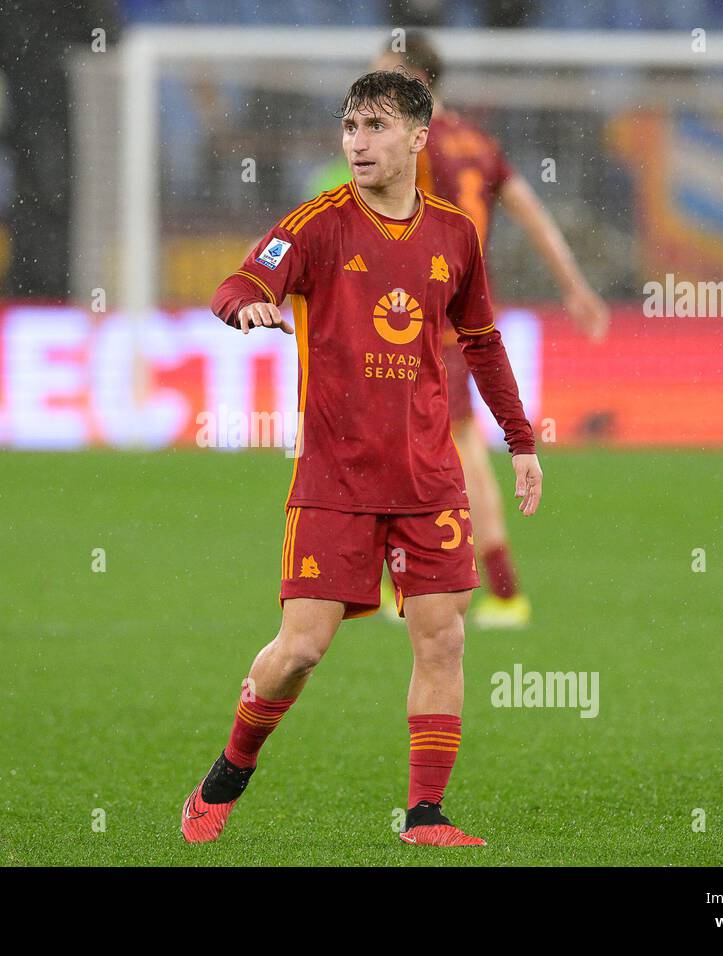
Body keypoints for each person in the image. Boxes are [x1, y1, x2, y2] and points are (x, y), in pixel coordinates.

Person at [183, 70, 542, 848]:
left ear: (420, 137)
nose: (358, 143)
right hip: (334, 480)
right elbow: (239, 278)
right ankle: (228, 772)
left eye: (376, 128)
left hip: (428, 475)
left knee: (443, 637)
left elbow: (481, 342)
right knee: (302, 650)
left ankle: (425, 816)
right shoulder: (317, 226)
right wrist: (246, 304)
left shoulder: (453, 234)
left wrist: (521, 442)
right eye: (350, 127)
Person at [368, 33, 609, 629]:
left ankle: (500, 590)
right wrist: (574, 285)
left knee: (452, 451)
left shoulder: (414, 149)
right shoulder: (479, 144)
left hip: (421, 321)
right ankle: (409, 581)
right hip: (465, 316)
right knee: (423, 448)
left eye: (384, 80)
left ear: (416, 82)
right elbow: (534, 215)